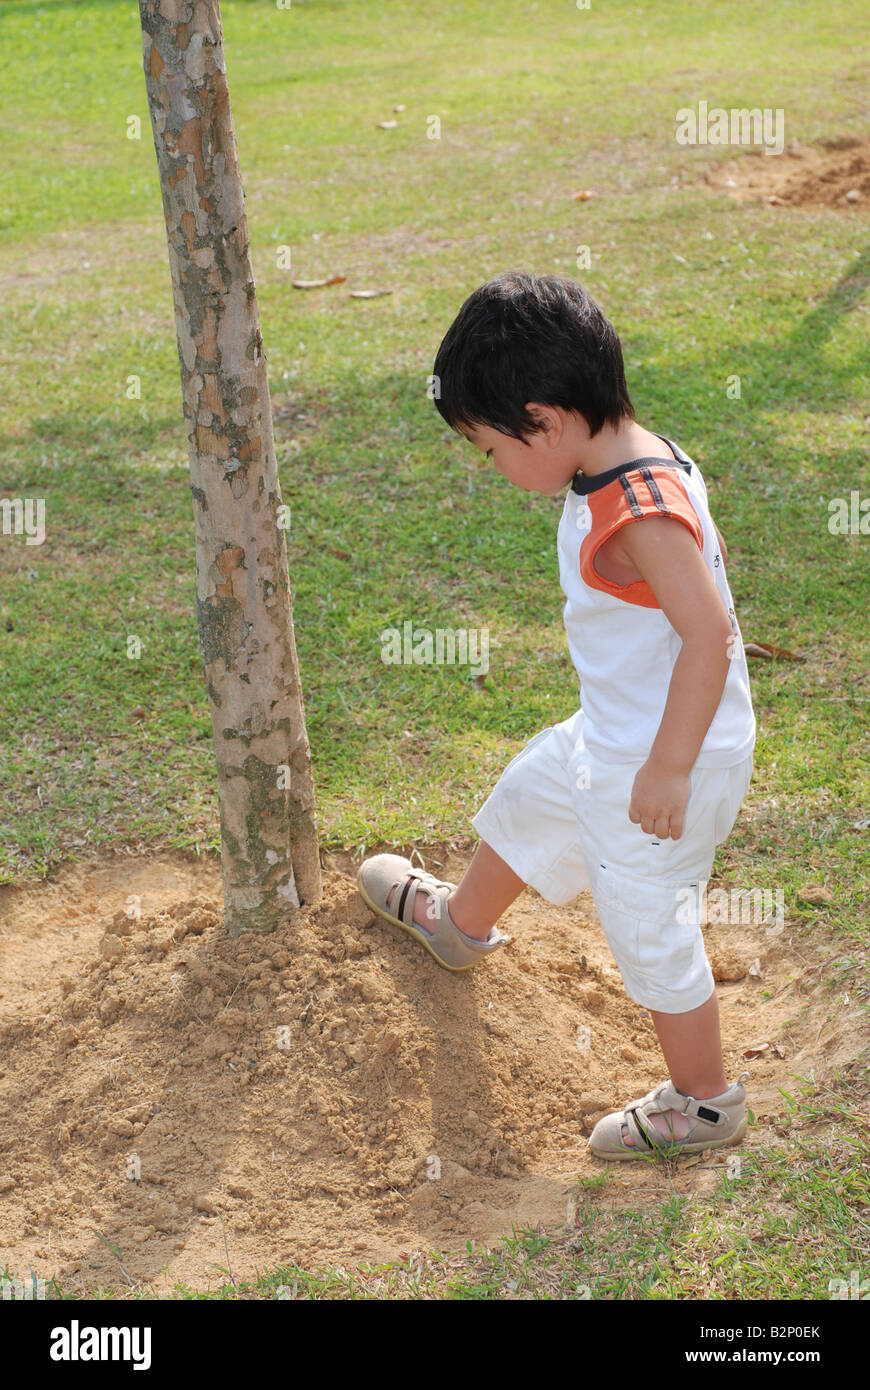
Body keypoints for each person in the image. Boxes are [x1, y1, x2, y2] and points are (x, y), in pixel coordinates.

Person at [357, 272, 755, 1160]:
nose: (494, 468)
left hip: (664, 760)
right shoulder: (621, 455)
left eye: (492, 448)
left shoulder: (637, 511)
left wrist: (667, 768)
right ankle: (459, 928)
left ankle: (705, 1103)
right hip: (616, 736)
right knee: (533, 792)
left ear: (546, 420)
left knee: (646, 919)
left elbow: (709, 637)